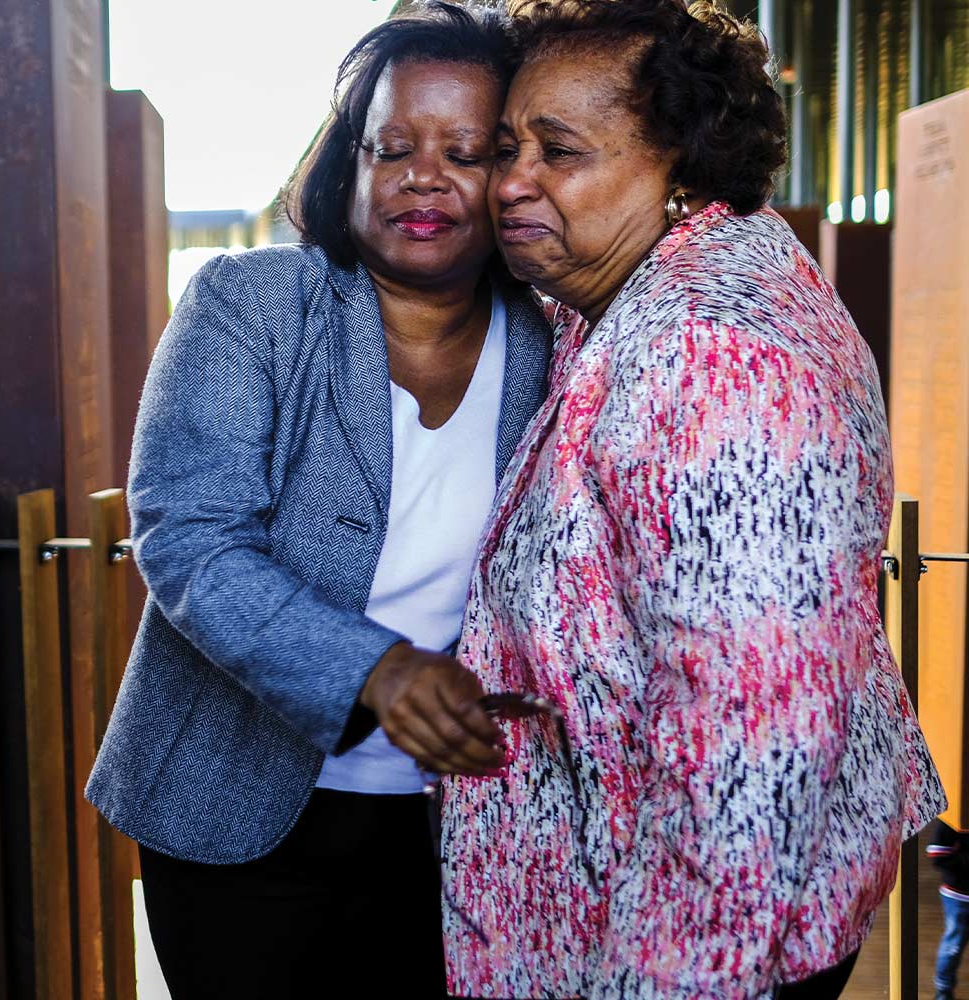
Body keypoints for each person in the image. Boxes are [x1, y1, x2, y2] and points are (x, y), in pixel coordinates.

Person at [434, 1, 947, 998]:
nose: (510, 182)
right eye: (505, 147)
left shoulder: (707, 352)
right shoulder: (641, 285)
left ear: (680, 162)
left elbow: (753, 744)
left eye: (558, 150)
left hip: (679, 949)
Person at [84, 4, 552, 996]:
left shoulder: (556, 339)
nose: (420, 175)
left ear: (511, 175)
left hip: (463, 818)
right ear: (353, 165)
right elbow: (188, 539)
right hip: (236, 808)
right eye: (391, 147)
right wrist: (373, 671)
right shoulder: (248, 302)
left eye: (462, 151)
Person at [930, 820, 969, 1000]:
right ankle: (943, 990)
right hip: (957, 895)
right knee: (954, 943)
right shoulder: (953, 818)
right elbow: (936, 853)